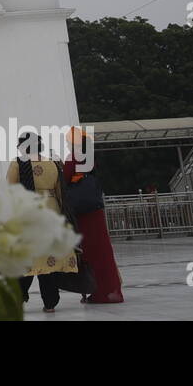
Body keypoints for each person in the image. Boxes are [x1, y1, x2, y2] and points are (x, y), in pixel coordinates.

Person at [7, 132, 78, 312]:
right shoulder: (53, 164)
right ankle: (50, 303)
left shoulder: (18, 163)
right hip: (51, 213)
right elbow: (61, 193)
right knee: (49, 261)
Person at [66, 127, 123, 304]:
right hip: (96, 210)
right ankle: (112, 289)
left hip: (83, 213)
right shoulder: (90, 158)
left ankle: (98, 291)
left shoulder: (73, 158)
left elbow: (65, 179)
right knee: (104, 251)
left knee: (90, 252)